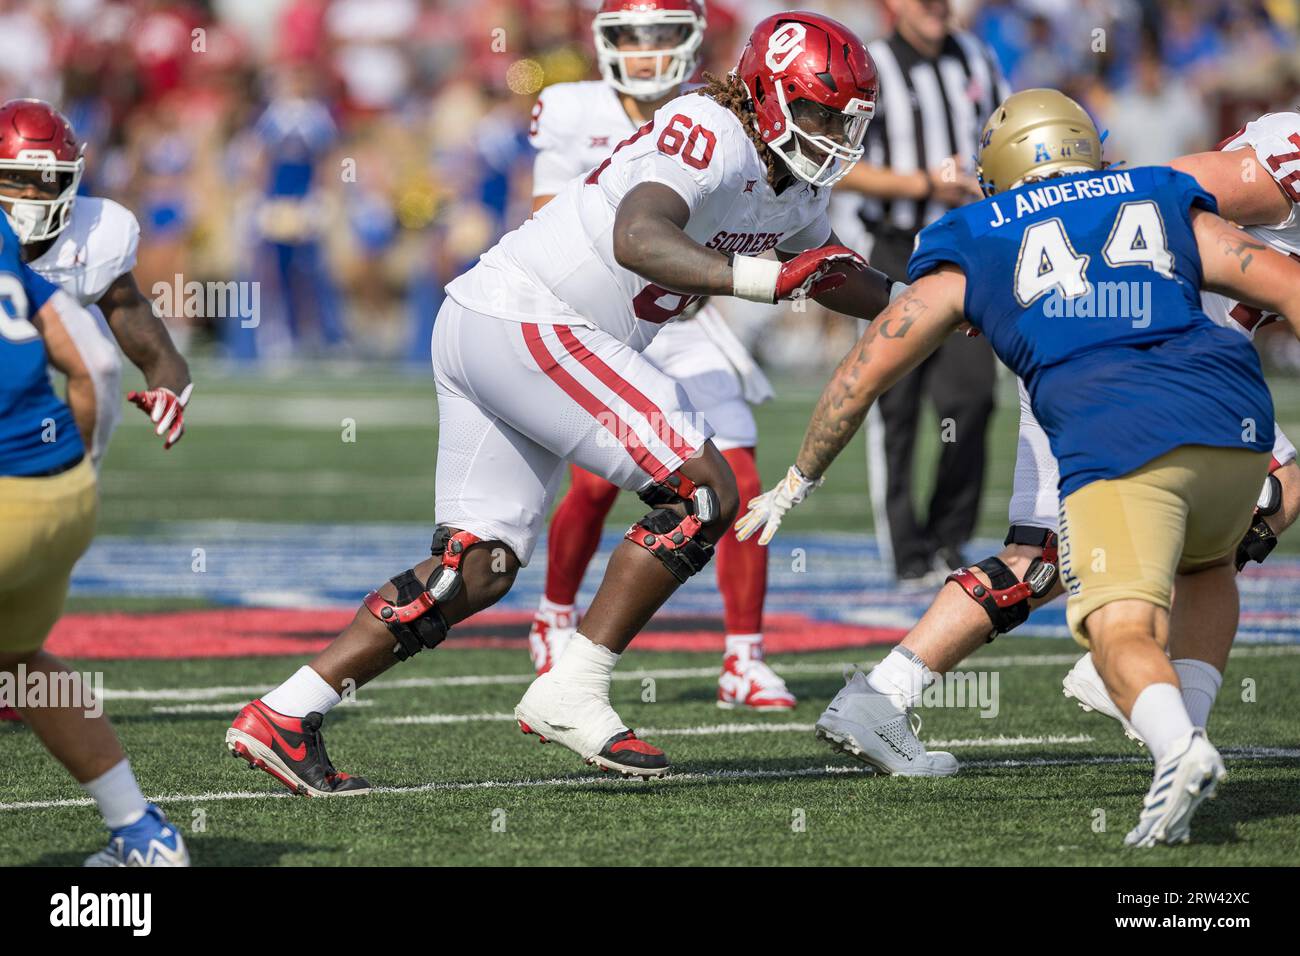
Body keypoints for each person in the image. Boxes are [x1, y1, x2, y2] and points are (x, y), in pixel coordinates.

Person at [227, 11, 894, 789]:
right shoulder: (709, 127)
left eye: (842, 118)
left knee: (477, 568)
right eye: (816, 110)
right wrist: (762, 280)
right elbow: (638, 236)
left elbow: (832, 268)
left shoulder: (791, 183)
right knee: (705, 493)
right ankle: (573, 687)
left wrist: (925, 303)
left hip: (496, 324)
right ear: (769, 93)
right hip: (538, 318)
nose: (829, 132)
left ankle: (285, 712)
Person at [737, 89, 1300, 846]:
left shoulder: (981, 230)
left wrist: (801, 475)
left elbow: (868, 366)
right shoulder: (1179, 184)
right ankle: (1139, 696)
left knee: (1107, 572)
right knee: (1155, 546)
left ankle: (1150, 708)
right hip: (1185, 379)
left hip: (1128, 381)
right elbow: (1235, 248)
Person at [525, 0, 792, 711]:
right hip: (602, 311)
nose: (647, 51)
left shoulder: (716, 108)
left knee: (737, 470)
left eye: (665, 34)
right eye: (631, 36)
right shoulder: (569, 107)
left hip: (685, 316)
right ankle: (554, 614)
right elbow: (552, 217)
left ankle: (744, 656)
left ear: (696, 40)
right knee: (594, 483)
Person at [0, 211, 188, 866]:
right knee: (19, 662)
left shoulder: (85, 236)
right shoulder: (4, 239)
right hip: (59, 490)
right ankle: (142, 832)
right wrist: (84, 470)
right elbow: (97, 364)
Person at [0, 97, 192, 725]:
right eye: (14, 181)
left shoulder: (97, 235)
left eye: (43, 180)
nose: (29, 196)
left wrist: (168, 382)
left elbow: (132, 318)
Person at [836, 0, 1009, 582]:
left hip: (967, 247)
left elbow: (1003, 139)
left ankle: (948, 539)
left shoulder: (979, 58)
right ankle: (907, 554)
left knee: (973, 397)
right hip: (895, 246)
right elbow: (837, 163)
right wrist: (922, 183)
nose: (936, 5)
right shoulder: (872, 63)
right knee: (897, 403)